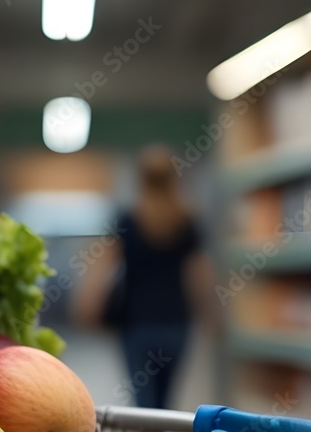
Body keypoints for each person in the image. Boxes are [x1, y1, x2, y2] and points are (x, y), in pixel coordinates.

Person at [72, 145, 213, 409]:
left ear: (140, 179)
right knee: (167, 400)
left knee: (143, 401)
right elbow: (199, 275)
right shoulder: (187, 221)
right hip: (176, 322)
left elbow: (104, 267)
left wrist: (88, 304)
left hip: (136, 323)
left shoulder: (128, 219)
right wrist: (211, 315)